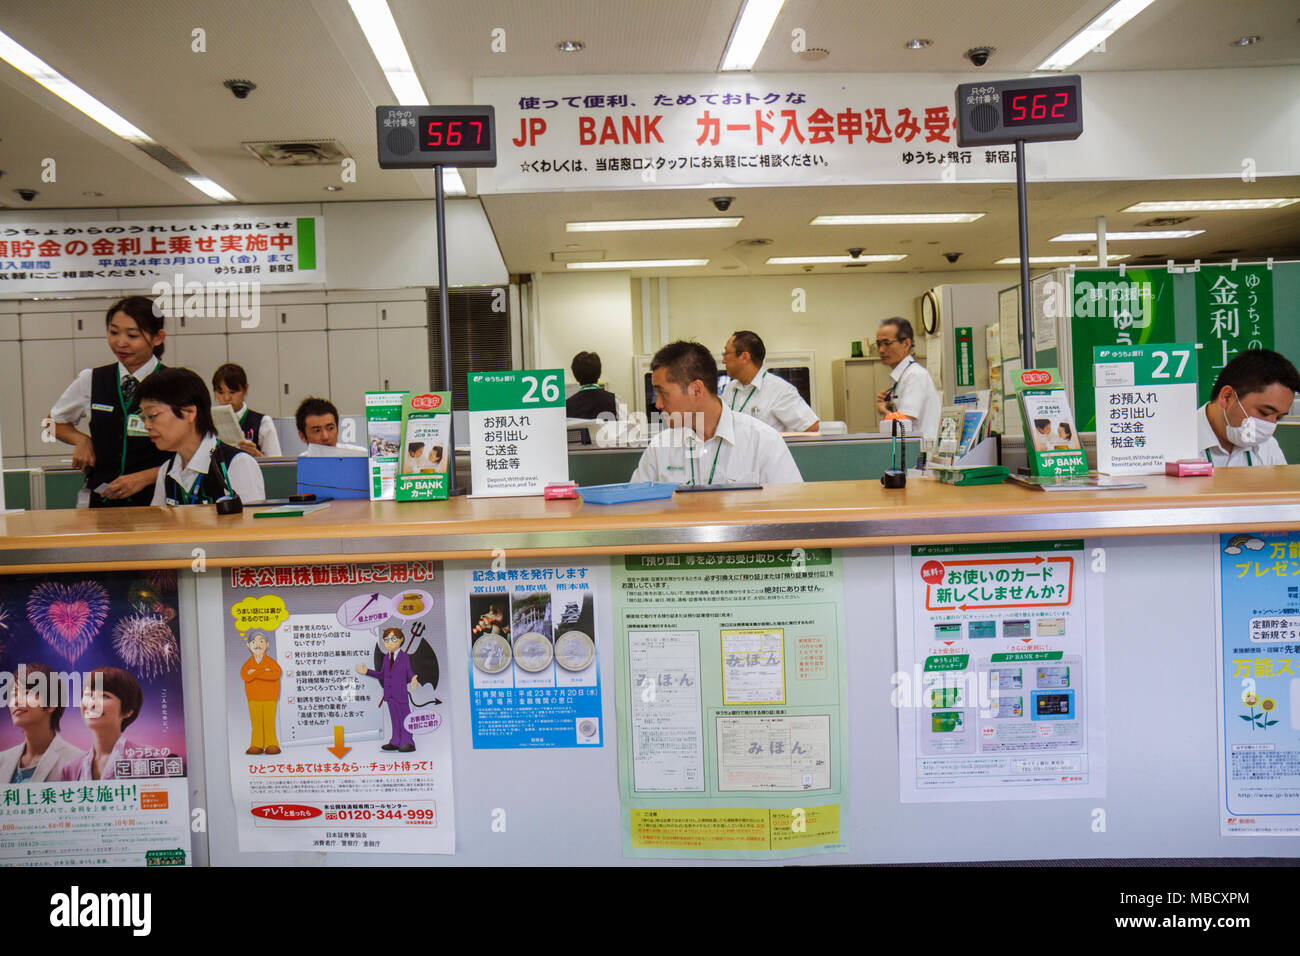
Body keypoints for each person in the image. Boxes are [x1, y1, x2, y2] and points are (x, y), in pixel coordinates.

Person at [50, 295, 171, 507]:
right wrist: (81, 440)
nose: (120, 343)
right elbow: (48, 426)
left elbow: (199, 451)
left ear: (158, 337)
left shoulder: (175, 384)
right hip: (103, 504)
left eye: (132, 335)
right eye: (113, 332)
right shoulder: (91, 379)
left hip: (160, 503)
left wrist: (146, 477)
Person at [631, 340, 803, 486]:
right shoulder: (659, 447)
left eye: (663, 393)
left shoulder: (763, 442)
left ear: (696, 390)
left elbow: (793, 509)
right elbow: (636, 510)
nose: (658, 404)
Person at [136, 366, 266, 505]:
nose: (147, 426)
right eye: (143, 418)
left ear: (190, 412)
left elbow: (250, 526)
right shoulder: (167, 471)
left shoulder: (236, 464)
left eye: (152, 416)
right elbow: (159, 525)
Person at [1197, 348, 1300, 467]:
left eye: (1279, 418)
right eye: (1264, 412)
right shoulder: (1177, 442)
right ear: (1227, 397)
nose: (1270, 426)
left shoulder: (1268, 447)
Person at [721, 330, 818, 432]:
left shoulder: (779, 390)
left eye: (726, 353)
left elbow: (811, 427)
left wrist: (779, 443)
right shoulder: (730, 389)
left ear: (744, 357)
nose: (723, 360)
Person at [0, 663, 81, 784]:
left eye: (27, 693)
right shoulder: (2, 760)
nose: (16, 701)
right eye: (13, 695)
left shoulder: (77, 761)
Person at [61, 667, 145, 781]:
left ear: (127, 711)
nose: (92, 704)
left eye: (104, 696)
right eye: (88, 695)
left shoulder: (148, 759)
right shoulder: (71, 769)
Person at [874, 317, 940, 445]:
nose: (881, 350)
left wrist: (883, 410)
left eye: (886, 343)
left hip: (920, 451)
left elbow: (903, 426)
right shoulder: (904, 376)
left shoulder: (914, 375)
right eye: (879, 344)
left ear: (906, 344)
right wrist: (889, 407)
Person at [356, 627, 420, 753]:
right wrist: (367, 672)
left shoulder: (404, 657)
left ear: (401, 639)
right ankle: (395, 741)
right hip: (389, 695)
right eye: (386, 639)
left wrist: (413, 679)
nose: (389, 642)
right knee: (395, 719)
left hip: (400, 695)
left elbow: (409, 672)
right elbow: (382, 675)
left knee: (405, 718)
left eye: (393, 639)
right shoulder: (386, 658)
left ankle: (407, 742)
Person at [211, 363, 282, 458]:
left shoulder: (262, 422)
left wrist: (257, 456)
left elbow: (277, 466)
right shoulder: (209, 423)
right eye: (220, 393)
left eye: (233, 392)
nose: (227, 398)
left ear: (245, 389)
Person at [240, 630, 281, 756]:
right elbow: (245, 676)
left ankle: (271, 744)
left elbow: (276, 674)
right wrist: (264, 672)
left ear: (267, 644)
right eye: (254, 642)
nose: (258, 644)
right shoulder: (248, 664)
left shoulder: (271, 663)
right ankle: (257, 744)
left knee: (269, 721)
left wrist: (256, 673)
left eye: (261, 641)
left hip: (270, 697)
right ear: (249, 645)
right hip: (253, 697)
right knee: (256, 722)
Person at [295, 397, 367, 456]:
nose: (325, 437)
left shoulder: (359, 456)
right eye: (317, 430)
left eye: (330, 428)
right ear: (302, 436)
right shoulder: (300, 465)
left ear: (337, 429)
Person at [565, 351, 619, 419]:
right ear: (600, 374)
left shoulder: (567, 406)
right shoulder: (615, 399)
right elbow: (630, 427)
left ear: (576, 377)